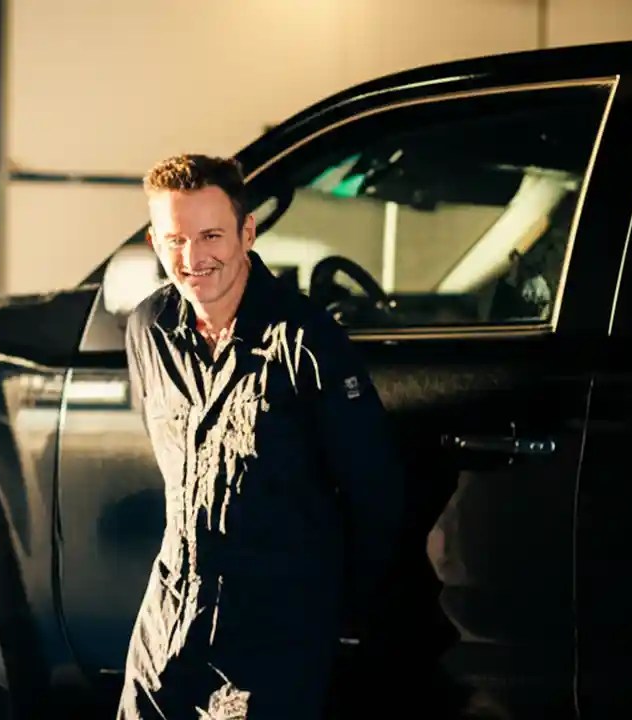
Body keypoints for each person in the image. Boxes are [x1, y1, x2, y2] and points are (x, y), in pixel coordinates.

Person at [115, 154, 405, 719]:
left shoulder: (308, 342)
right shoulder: (148, 330)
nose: (194, 259)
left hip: (271, 628)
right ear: (154, 240)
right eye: (175, 240)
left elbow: (376, 495)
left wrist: (335, 617)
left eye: (211, 235)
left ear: (247, 232)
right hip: (169, 611)